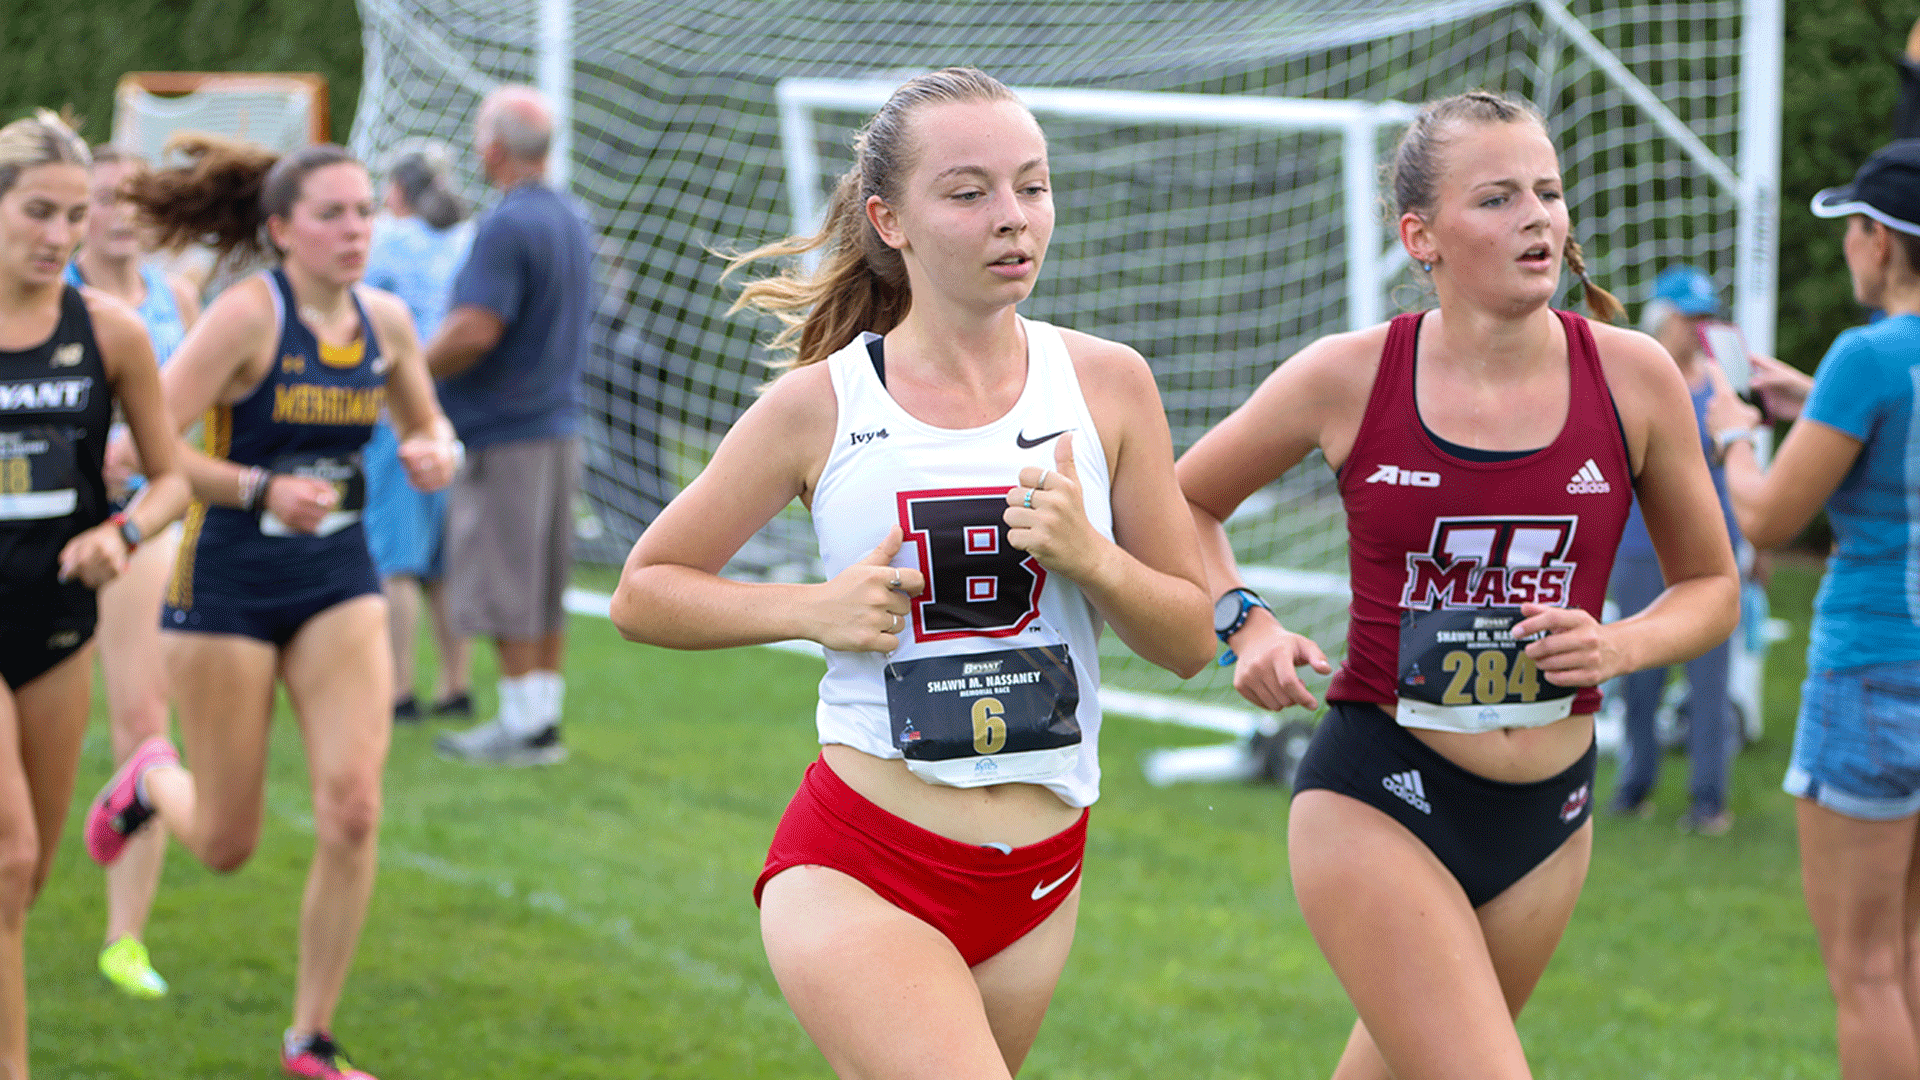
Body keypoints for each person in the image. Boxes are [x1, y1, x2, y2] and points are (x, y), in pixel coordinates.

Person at [610, 68, 1213, 1078]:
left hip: (1040, 878)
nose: (1013, 218)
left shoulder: (1110, 383)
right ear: (890, 219)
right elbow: (644, 589)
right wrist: (814, 610)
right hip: (865, 865)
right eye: (970, 192)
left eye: (1033, 185)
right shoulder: (821, 404)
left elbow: (1190, 641)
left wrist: (1092, 559)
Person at [1176, 90, 1739, 1079]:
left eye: (1550, 192)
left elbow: (1711, 587)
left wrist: (1619, 645)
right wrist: (1244, 621)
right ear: (1420, 236)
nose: (1538, 216)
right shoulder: (1345, 375)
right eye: (1498, 197)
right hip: (1378, 793)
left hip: (1552, 817)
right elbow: (1181, 502)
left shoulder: (1636, 376)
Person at [80, 134, 461, 1080]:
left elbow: (428, 424)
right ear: (283, 230)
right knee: (223, 843)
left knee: (354, 808)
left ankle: (311, 1040)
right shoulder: (247, 318)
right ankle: (147, 782)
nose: (355, 229)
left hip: (337, 581)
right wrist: (255, 487)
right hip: (227, 588)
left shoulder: (387, 320)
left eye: (365, 210)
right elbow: (140, 449)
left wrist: (436, 452)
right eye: (332, 213)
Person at [1707, 138, 1920, 1080]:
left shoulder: (1866, 357)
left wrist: (1735, 438)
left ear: (1878, 241)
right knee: (1907, 957)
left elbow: (1768, 517)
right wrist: (1810, 405)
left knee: (1866, 974)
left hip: (1875, 673)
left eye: (1852, 233)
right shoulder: (1864, 374)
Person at [0, 110, 189, 1080]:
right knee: (9, 851)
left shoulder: (108, 332)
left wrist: (119, 537)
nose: (59, 237)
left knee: (20, 883)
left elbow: (170, 481)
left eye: (74, 217)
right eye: (39, 212)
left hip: (57, 620)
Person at [65, 143, 202, 1001]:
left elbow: (202, 409)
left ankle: (126, 937)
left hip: (150, 526)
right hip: (43, 530)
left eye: (135, 198)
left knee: (143, 725)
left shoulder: (178, 298)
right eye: (103, 198)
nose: (122, 213)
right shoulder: (46, 299)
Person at [427, 86, 592, 766]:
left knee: (508, 581)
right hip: (558, 423)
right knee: (543, 580)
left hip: (507, 430)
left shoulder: (505, 224)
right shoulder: (572, 216)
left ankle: (523, 727)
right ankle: (539, 717)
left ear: (492, 148)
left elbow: (476, 327)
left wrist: (406, 367)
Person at [1604, 265, 1744, 834]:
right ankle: (1635, 788)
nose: (1702, 328)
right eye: (1693, 318)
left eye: (1709, 316)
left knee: (1711, 681)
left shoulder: (1725, 378)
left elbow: (1742, 461)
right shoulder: (1633, 377)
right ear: (1666, 319)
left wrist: (1748, 550)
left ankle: (1708, 802)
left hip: (1714, 552)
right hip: (1639, 546)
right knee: (1638, 676)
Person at [363, 142, 474, 723]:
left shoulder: (386, 240)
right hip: (455, 417)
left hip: (397, 415)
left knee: (395, 559)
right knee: (444, 563)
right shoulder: (467, 239)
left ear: (396, 191)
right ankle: (458, 684)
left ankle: (398, 689)